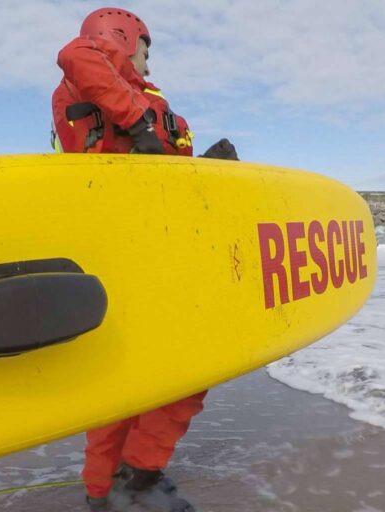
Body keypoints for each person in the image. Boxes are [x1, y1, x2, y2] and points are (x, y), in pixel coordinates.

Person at [51, 7, 238, 512]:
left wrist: (208, 173)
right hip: (125, 251)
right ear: (122, 37)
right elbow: (76, 55)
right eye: (145, 49)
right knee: (190, 364)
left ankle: (111, 490)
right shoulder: (89, 78)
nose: (149, 62)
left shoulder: (148, 101)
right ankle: (136, 478)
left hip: (155, 248)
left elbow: (160, 179)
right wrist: (138, 124)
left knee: (129, 380)